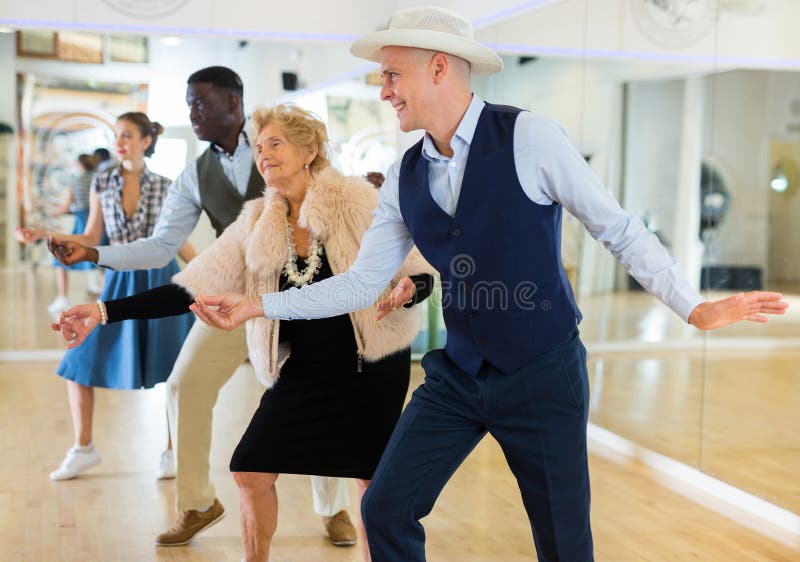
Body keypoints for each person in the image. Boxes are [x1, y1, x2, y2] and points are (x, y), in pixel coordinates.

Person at [180, 7, 789, 562]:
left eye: (392, 75)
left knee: (563, 542)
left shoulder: (531, 137)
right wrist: (259, 305)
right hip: (459, 376)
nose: (383, 89)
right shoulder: (403, 175)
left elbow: (620, 230)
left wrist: (694, 308)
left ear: (439, 68)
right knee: (385, 508)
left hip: (543, 373)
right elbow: (361, 282)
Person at [55, 103, 435, 562]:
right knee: (250, 469)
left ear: (310, 149)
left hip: (370, 366)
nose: (264, 155)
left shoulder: (357, 201)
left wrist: (409, 289)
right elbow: (191, 285)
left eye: (275, 144)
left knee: (370, 482)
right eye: (259, 147)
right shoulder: (257, 219)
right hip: (305, 370)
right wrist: (102, 311)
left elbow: (420, 272)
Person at [21, 111, 196, 481]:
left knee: (175, 369)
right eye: (116, 135)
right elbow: (91, 236)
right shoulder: (103, 182)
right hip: (118, 281)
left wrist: (215, 275)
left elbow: (177, 242)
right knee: (78, 362)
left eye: (127, 135)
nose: (119, 141)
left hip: (162, 281)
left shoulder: (168, 187)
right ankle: (83, 448)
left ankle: (172, 450)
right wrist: (46, 234)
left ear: (146, 141)